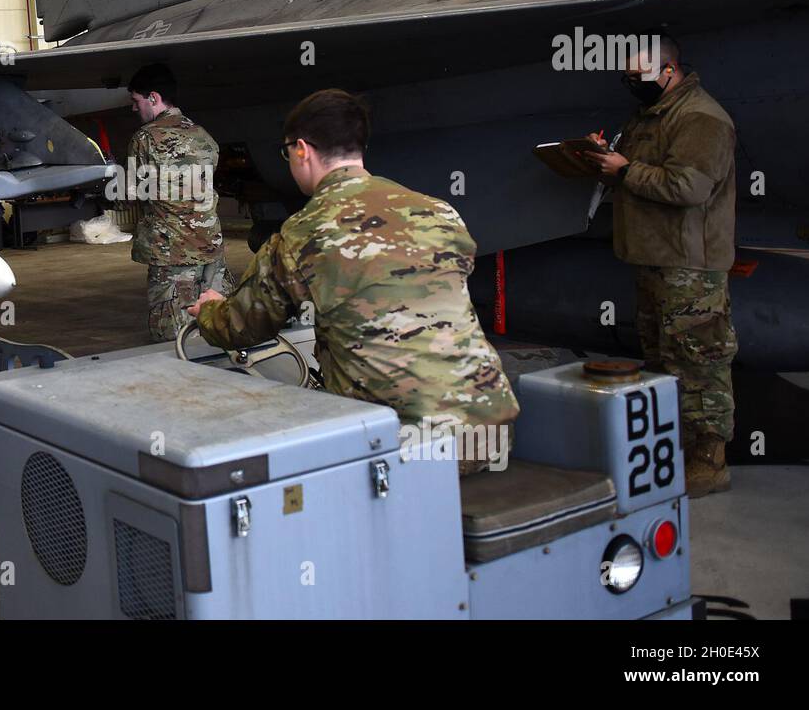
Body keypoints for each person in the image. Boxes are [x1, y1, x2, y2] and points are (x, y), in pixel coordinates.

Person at [189, 89, 518, 475]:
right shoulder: (437, 210)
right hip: (490, 429)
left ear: (301, 150)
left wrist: (209, 309)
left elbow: (243, 325)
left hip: (405, 444)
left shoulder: (304, 231)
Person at [582, 33, 737, 498]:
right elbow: (637, 170)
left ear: (669, 71)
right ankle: (674, 452)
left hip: (689, 266)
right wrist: (605, 157)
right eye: (627, 75)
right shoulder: (652, 114)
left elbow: (689, 188)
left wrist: (624, 170)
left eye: (640, 75)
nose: (633, 83)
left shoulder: (701, 119)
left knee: (699, 364)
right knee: (660, 362)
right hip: (655, 259)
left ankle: (709, 463)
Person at [126, 63, 234, 342]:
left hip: (172, 252)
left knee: (173, 334)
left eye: (136, 101)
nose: (133, 109)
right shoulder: (203, 136)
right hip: (211, 246)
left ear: (153, 98)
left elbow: (136, 190)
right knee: (219, 324)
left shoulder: (146, 138)